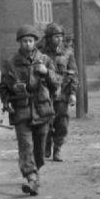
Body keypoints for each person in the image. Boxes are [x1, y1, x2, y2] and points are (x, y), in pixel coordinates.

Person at [0, 25, 58, 195]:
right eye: (24, 41)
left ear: (35, 42)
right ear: (19, 42)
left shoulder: (45, 60)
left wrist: (46, 72)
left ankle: (35, 170)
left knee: (39, 148)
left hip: (43, 110)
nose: (27, 44)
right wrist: (6, 101)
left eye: (30, 41)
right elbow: (3, 87)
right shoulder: (11, 63)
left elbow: (56, 83)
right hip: (21, 110)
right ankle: (31, 177)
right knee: (26, 146)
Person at [39, 22, 79, 162]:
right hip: (45, 94)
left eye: (61, 36)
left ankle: (58, 149)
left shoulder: (67, 52)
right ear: (49, 38)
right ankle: (47, 146)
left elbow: (73, 74)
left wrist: (73, 93)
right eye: (56, 36)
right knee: (46, 122)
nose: (60, 39)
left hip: (62, 93)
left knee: (62, 123)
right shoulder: (40, 52)